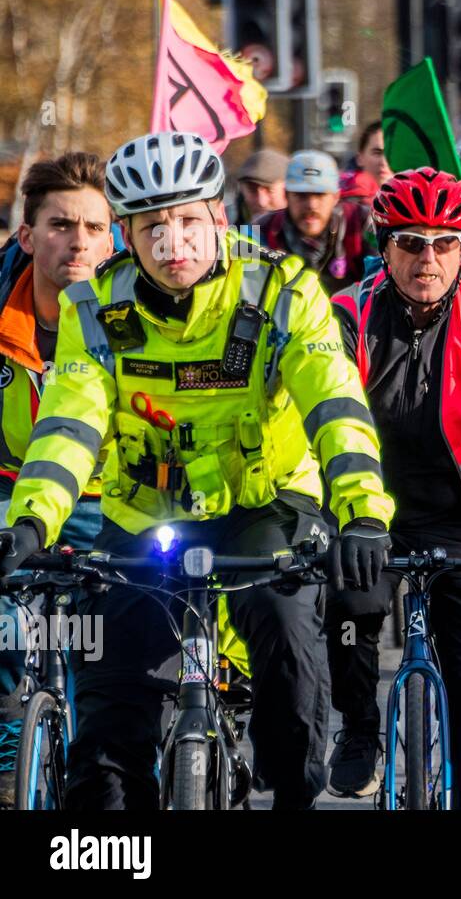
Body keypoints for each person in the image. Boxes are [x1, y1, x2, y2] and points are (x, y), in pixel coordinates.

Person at [0, 131, 394, 809]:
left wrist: (361, 512)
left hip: (265, 506)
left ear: (219, 216)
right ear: (126, 233)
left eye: (188, 219)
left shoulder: (285, 292)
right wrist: (33, 519)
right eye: (152, 226)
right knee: (110, 709)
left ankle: (290, 791)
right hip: (144, 516)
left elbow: (337, 405)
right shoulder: (91, 310)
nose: (172, 242)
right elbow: (70, 421)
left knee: (285, 637)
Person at [327, 167, 461, 808]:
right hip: (368, 504)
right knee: (350, 610)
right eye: (411, 242)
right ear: (384, 244)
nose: (428, 258)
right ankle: (360, 729)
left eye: (444, 243)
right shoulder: (346, 312)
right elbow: (326, 420)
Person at [0, 153, 114, 807]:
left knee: (114, 642)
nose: (77, 241)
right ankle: (12, 757)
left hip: (109, 496)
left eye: (94, 228)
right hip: (10, 491)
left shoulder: (137, 315)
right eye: (60, 224)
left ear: (113, 238)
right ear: (26, 235)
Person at [256, 150, 370, 294]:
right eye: (301, 196)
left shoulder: (361, 223)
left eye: (320, 194)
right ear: (286, 195)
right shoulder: (259, 231)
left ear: (336, 196)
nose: (311, 205)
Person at [227, 149, 289, 227]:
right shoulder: (224, 227)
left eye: (270, 190)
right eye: (252, 190)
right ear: (242, 190)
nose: (261, 202)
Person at [353, 121, 393, 189]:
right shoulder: (344, 198)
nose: (384, 162)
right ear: (360, 158)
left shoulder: (415, 197)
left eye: (391, 153)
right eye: (377, 153)